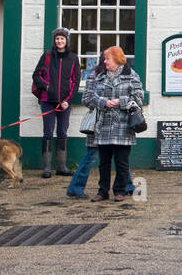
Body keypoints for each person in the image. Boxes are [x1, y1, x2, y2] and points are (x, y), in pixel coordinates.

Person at [81, 46, 144, 202]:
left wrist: (120, 102)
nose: (104, 61)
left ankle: (120, 191)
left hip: (123, 125)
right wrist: (103, 102)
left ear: (116, 59)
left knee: (122, 162)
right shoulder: (97, 76)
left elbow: (139, 99)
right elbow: (87, 98)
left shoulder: (131, 76)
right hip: (103, 125)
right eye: (104, 58)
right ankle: (102, 191)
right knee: (104, 162)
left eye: (107, 58)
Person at [31, 27, 80, 178]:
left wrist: (68, 100)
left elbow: (76, 81)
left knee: (62, 133)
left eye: (62, 39)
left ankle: (62, 167)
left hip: (65, 103)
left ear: (67, 41)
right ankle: (46, 168)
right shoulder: (46, 56)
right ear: (54, 40)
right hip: (48, 101)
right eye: (57, 38)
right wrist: (45, 86)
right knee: (47, 133)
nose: (60, 41)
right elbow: (36, 75)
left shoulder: (73, 58)